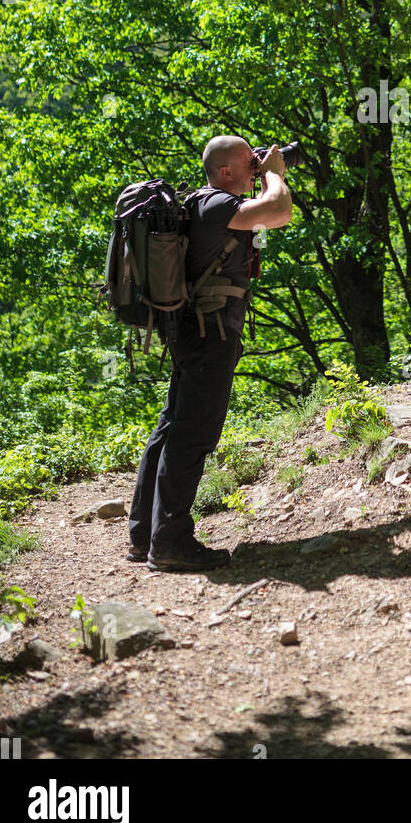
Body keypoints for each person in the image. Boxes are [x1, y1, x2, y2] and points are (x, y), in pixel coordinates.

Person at [127, 137, 292, 572]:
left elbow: (262, 214)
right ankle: (171, 542)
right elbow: (279, 211)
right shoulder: (219, 205)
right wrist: (275, 172)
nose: (255, 165)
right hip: (210, 334)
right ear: (225, 171)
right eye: (248, 161)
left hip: (192, 331)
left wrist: (265, 173)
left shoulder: (207, 204)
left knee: (171, 428)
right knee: (192, 436)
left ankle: (144, 533)